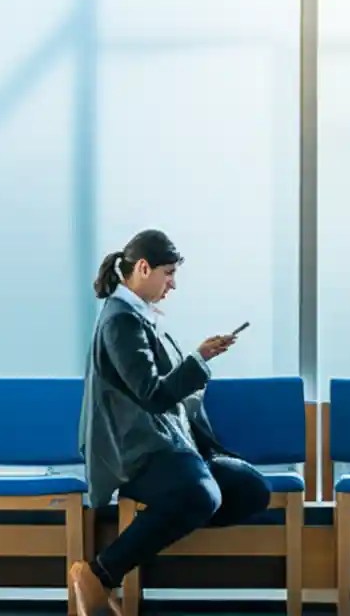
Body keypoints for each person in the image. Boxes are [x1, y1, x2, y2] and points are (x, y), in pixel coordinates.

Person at [69, 229, 271, 616]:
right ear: (143, 268)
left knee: (251, 490)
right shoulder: (120, 321)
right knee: (201, 495)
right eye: (168, 273)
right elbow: (152, 393)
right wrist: (196, 363)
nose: (173, 284)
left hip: (170, 443)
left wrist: (200, 355)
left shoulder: (139, 315)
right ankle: (98, 574)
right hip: (135, 449)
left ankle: (161, 521)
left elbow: (160, 384)